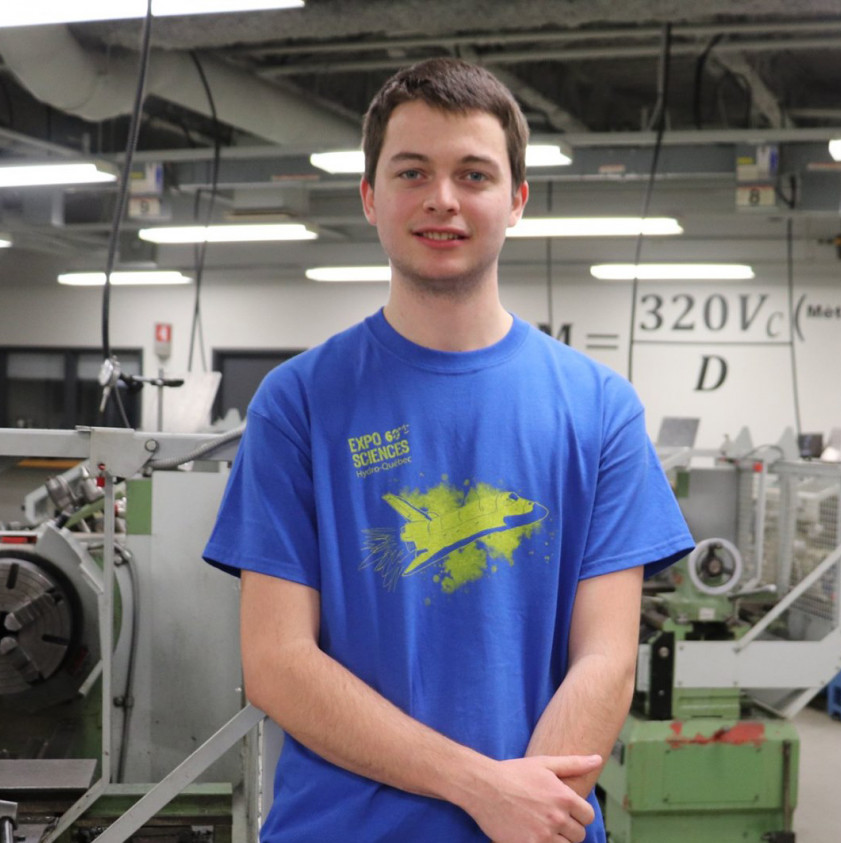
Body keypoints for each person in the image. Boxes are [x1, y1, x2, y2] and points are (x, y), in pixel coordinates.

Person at [202, 58, 694, 843]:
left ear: (517, 199)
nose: (443, 199)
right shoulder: (298, 404)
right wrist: (483, 788)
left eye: (473, 173)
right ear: (369, 197)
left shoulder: (598, 408)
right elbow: (277, 661)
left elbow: (606, 659)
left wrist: (529, 813)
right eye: (412, 172)